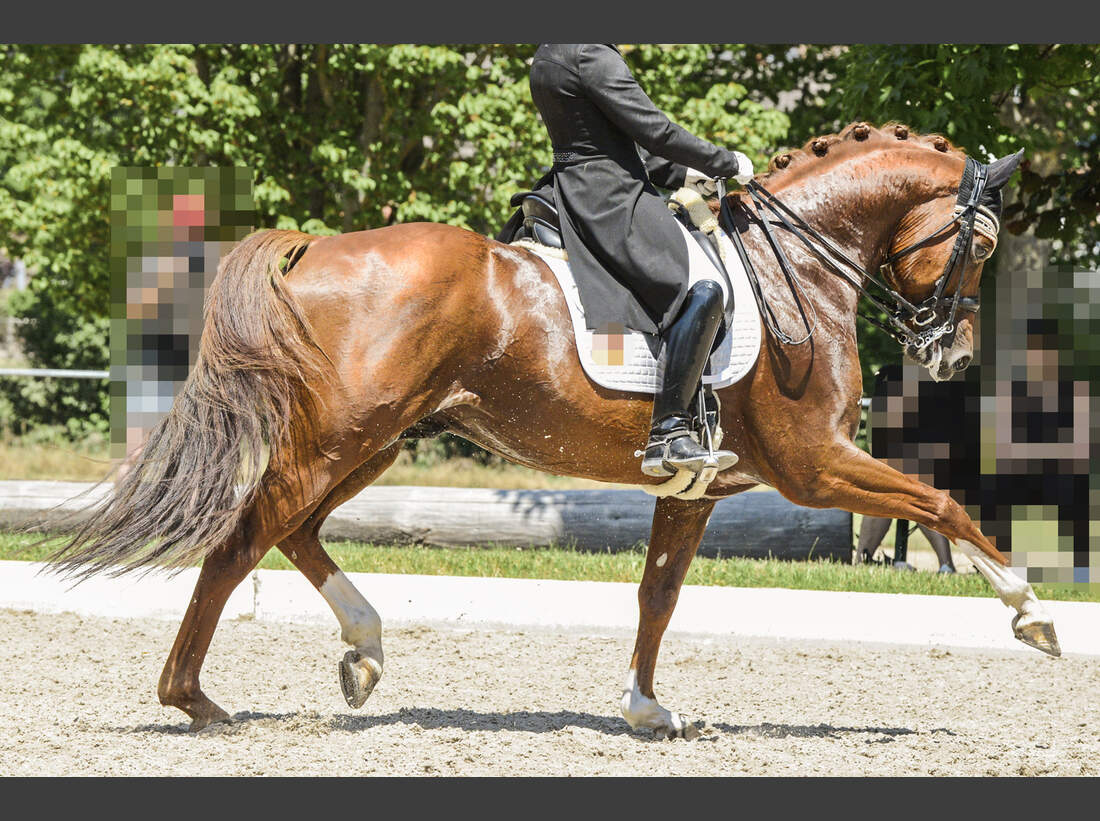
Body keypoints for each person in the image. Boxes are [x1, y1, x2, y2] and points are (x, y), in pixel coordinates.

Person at [525, 44, 754, 478]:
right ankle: (669, 430)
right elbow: (654, 130)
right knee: (705, 287)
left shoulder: (550, 51)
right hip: (610, 196)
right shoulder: (590, 52)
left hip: (575, 184)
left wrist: (683, 175)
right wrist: (726, 162)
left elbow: (609, 136)